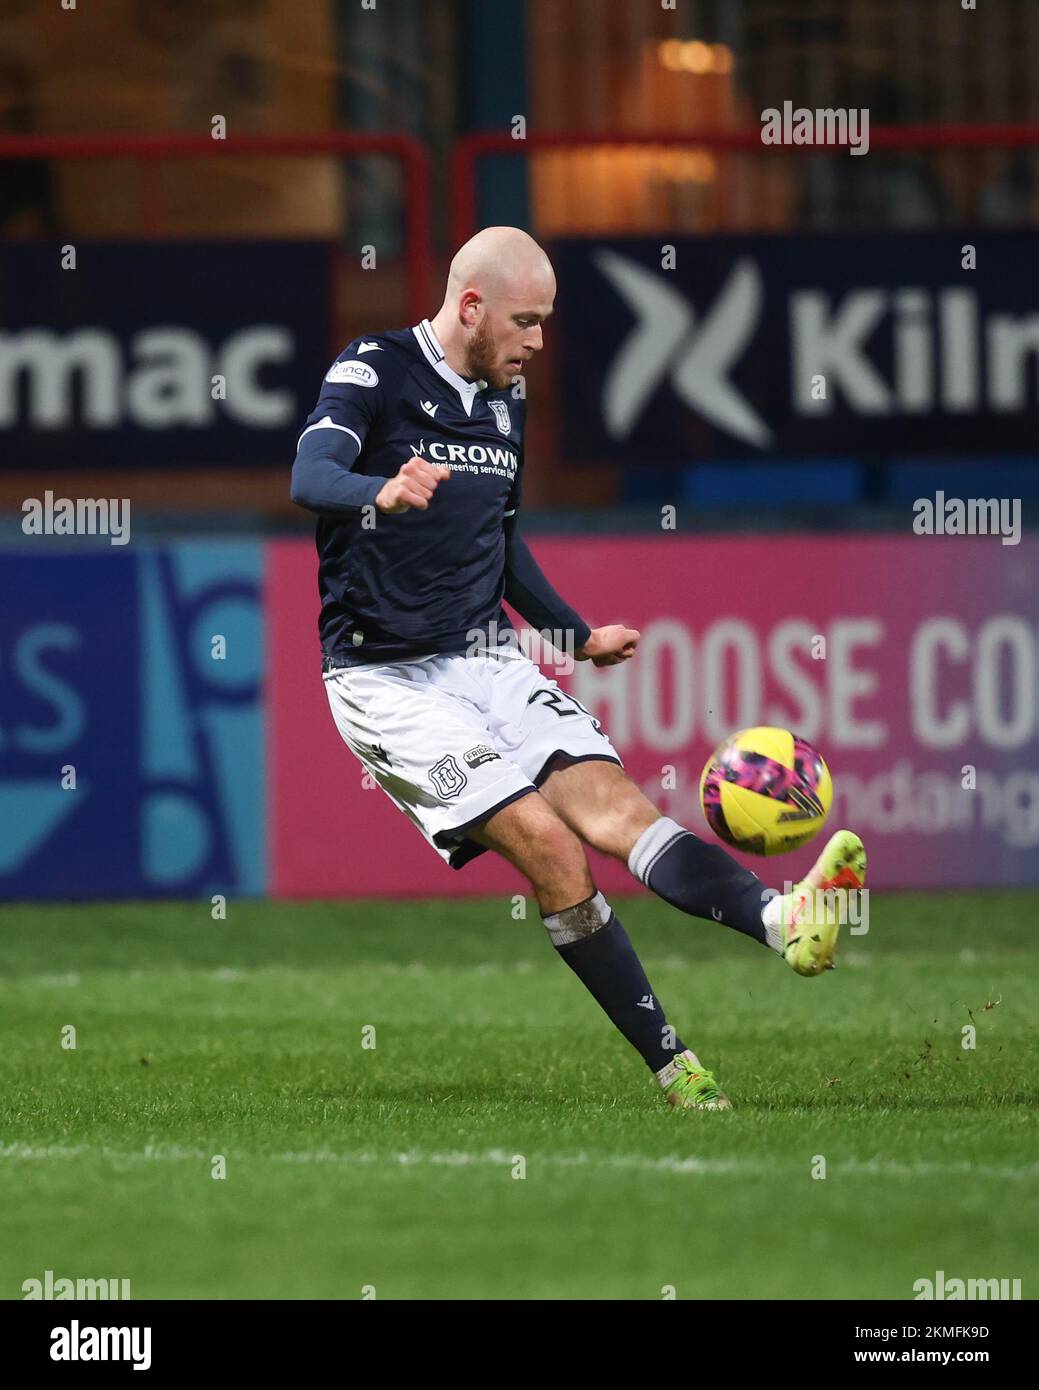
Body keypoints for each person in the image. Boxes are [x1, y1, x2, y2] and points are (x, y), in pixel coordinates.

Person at [291, 226, 866, 1110]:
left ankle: (784, 922)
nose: (537, 342)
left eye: (547, 321)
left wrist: (574, 634)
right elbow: (310, 471)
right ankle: (675, 1066)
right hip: (385, 681)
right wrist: (380, 489)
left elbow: (502, 543)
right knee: (554, 849)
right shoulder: (374, 370)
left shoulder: (503, 400)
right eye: (525, 320)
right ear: (471, 307)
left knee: (617, 811)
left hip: (486, 657)